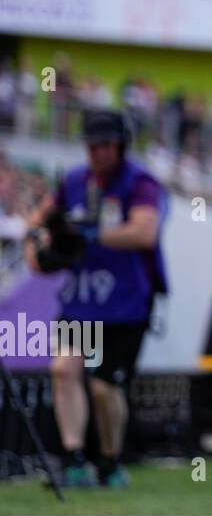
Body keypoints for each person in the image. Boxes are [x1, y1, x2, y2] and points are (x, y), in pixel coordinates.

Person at [25, 109, 169, 488]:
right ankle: (73, 460)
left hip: (126, 303)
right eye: (92, 144)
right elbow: (37, 226)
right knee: (64, 370)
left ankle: (109, 460)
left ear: (120, 145)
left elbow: (144, 232)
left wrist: (88, 234)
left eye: (105, 144)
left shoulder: (140, 182)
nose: (98, 152)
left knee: (106, 386)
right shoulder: (73, 181)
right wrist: (41, 248)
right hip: (83, 302)